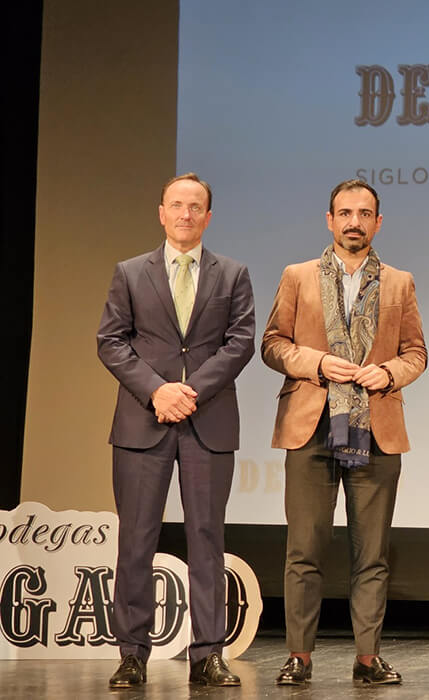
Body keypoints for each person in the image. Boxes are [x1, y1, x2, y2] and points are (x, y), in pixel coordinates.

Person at [262, 179, 427, 686]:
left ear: (378, 222)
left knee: (371, 553)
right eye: (345, 212)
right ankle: (299, 656)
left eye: (365, 213)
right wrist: (318, 363)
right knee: (305, 548)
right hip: (311, 425)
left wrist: (390, 373)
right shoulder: (299, 276)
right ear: (329, 219)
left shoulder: (399, 282)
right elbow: (272, 344)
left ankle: (367, 657)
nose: (354, 221)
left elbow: (417, 353)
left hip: (375, 427)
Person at [97, 173, 255, 689]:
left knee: (206, 538)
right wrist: (158, 390)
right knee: (136, 539)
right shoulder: (130, 272)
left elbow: (240, 342)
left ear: (209, 217)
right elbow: (111, 341)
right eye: (177, 206)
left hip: (206, 423)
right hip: (144, 423)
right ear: (161, 212)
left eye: (196, 208)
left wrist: (189, 392)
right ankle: (133, 653)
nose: (186, 215)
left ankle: (208, 653)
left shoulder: (232, 274)